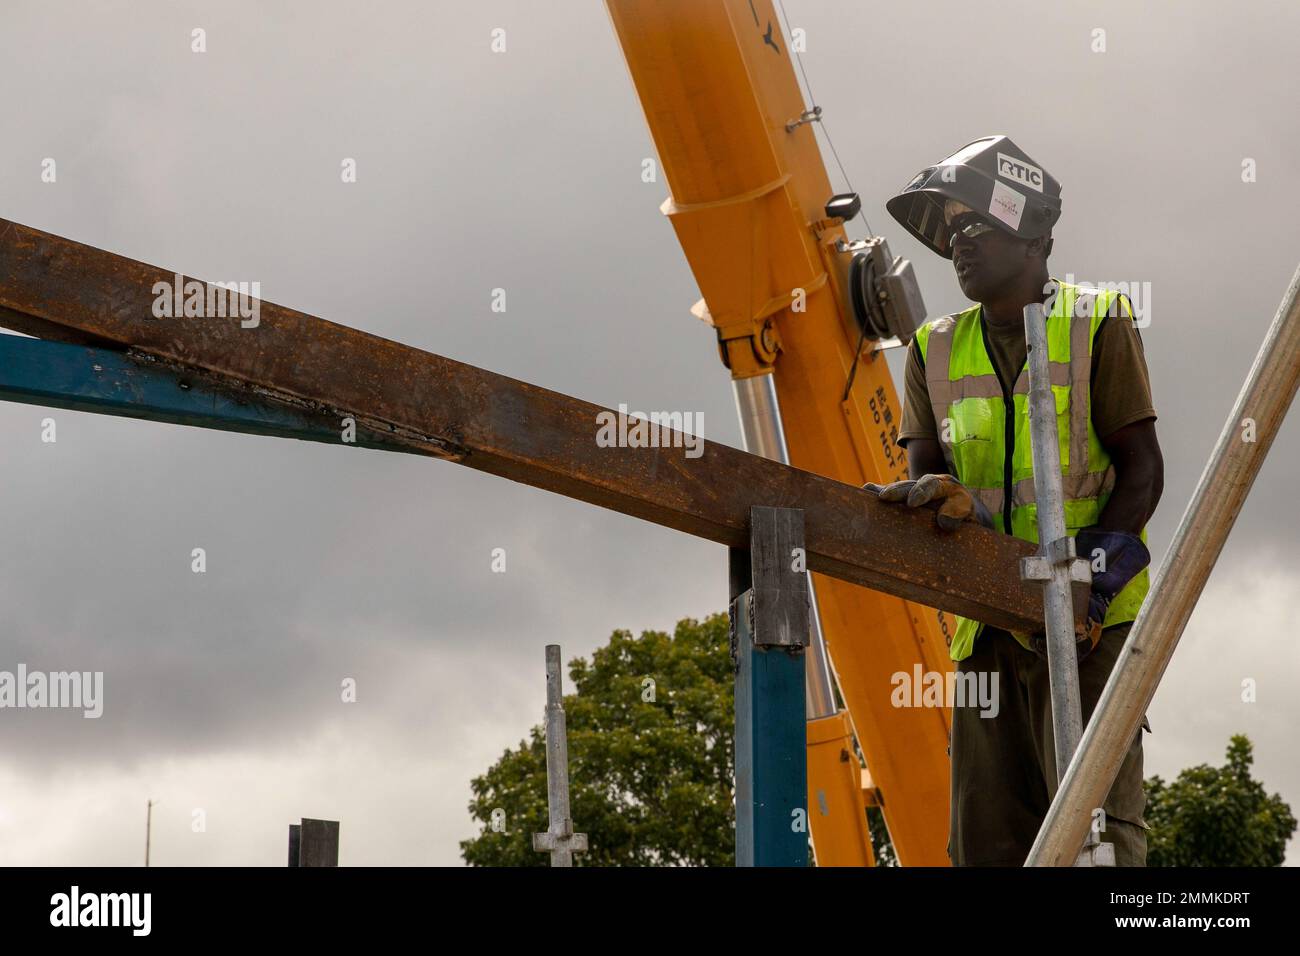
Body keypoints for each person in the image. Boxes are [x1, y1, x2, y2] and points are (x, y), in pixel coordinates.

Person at [870, 135, 1163, 866]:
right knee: (986, 843)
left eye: (974, 228)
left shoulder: (1098, 319)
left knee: (1095, 835)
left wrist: (1092, 579)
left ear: (1034, 237)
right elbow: (928, 476)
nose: (958, 248)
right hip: (986, 628)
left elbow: (1142, 470)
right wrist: (942, 500)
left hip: (1090, 627)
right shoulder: (931, 350)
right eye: (950, 236)